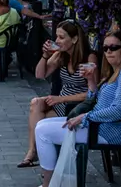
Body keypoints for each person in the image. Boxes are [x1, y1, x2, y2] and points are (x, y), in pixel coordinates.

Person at [25, 29, 121, 187]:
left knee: (43, 130)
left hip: (109, 131)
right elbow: (93, 99)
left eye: (114, 47)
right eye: (105, 48)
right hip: (98, 125)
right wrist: (90, 81)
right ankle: (52, 184)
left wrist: (85, 117)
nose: (108, 52)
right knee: (42, 125)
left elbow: (118, 110)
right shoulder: (116, 71)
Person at [18, 19, 96, 167]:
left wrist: (60, 98)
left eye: (61, 37)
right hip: (61, 103)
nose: (57, 41)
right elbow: (40, 74)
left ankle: (43, 160)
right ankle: (33, 152)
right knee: (36, 104)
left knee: (40, 123)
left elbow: (92, 93)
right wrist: (45, 55)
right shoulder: (61, 55)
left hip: (77, 107)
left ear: (74, 39)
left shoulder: (88, 58)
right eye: (56, 37)